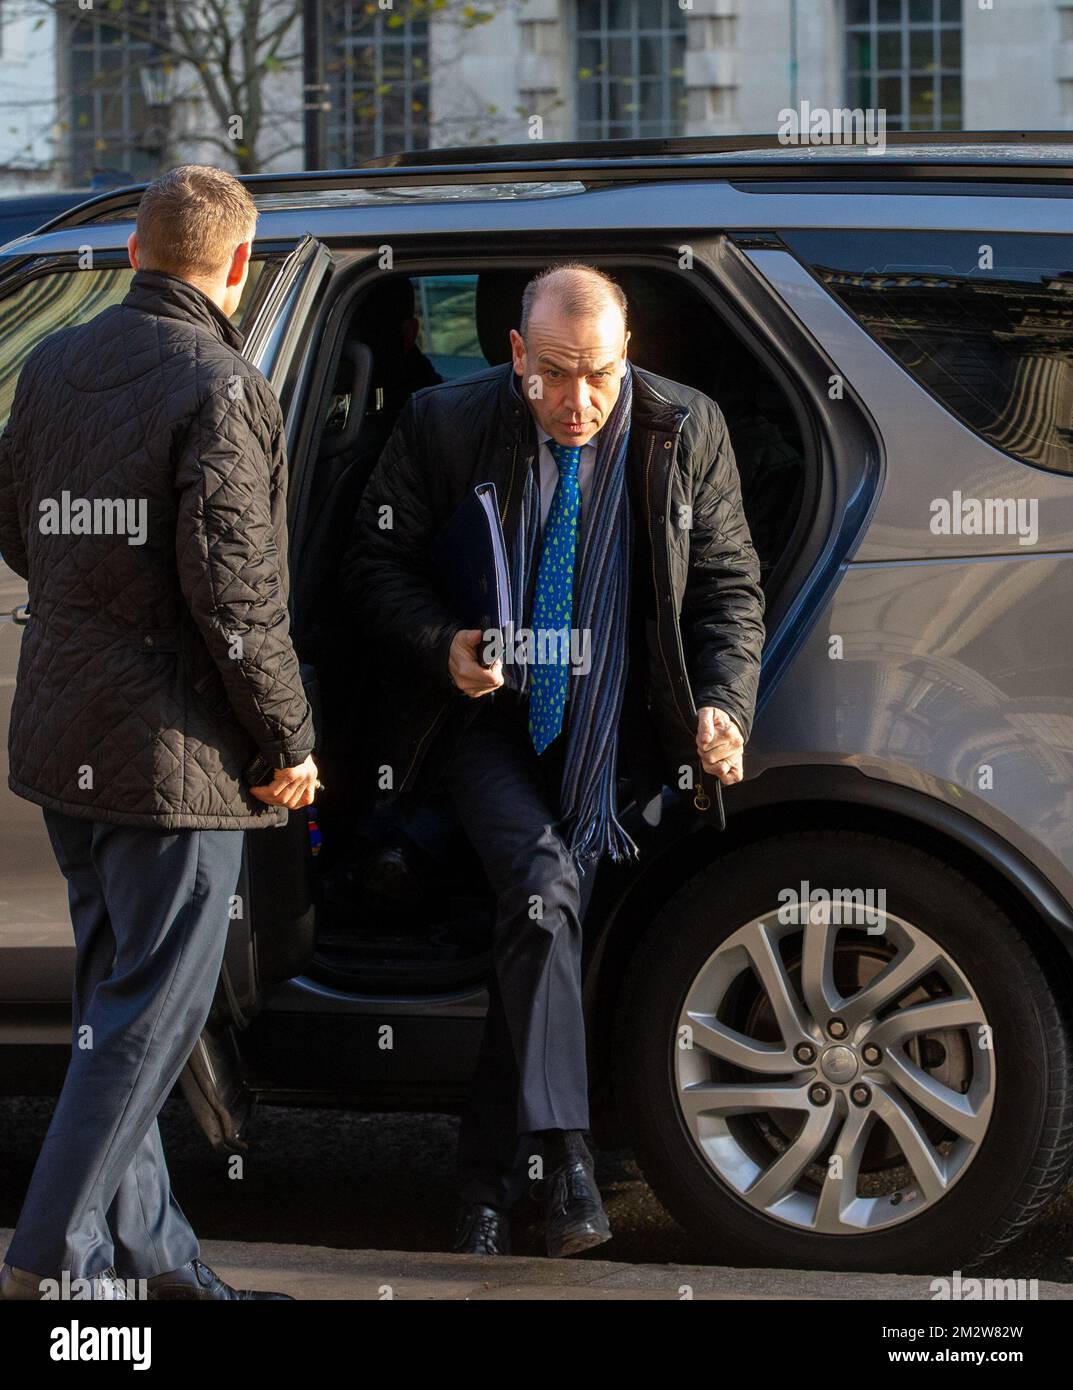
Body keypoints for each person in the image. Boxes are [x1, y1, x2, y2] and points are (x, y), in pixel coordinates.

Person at [342, 263, 766, 1257]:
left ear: (630, 358)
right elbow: (369, 566)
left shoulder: (682, 428)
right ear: (516, 357)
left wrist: (722, 708)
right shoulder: (448, 426)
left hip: (621, 730)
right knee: (540, 893)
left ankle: (487, 1183)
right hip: (488, 723)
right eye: (558, 375)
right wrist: (439, 641)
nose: (580, 401)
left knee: (542, 926)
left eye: (604, 375)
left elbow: (727, 592)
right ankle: (570, 1159)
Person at [0, 165, 317, 1301]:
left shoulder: (48, 362)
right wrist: (288, 738)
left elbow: (24, 533)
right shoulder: (222, 384)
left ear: (134, 251)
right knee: (147, 1019)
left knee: (113, 1012)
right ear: (238, 267)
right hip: (171, 762)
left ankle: (156, 1268)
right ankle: (51, 1261)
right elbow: (237, 599)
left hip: (62, 741)